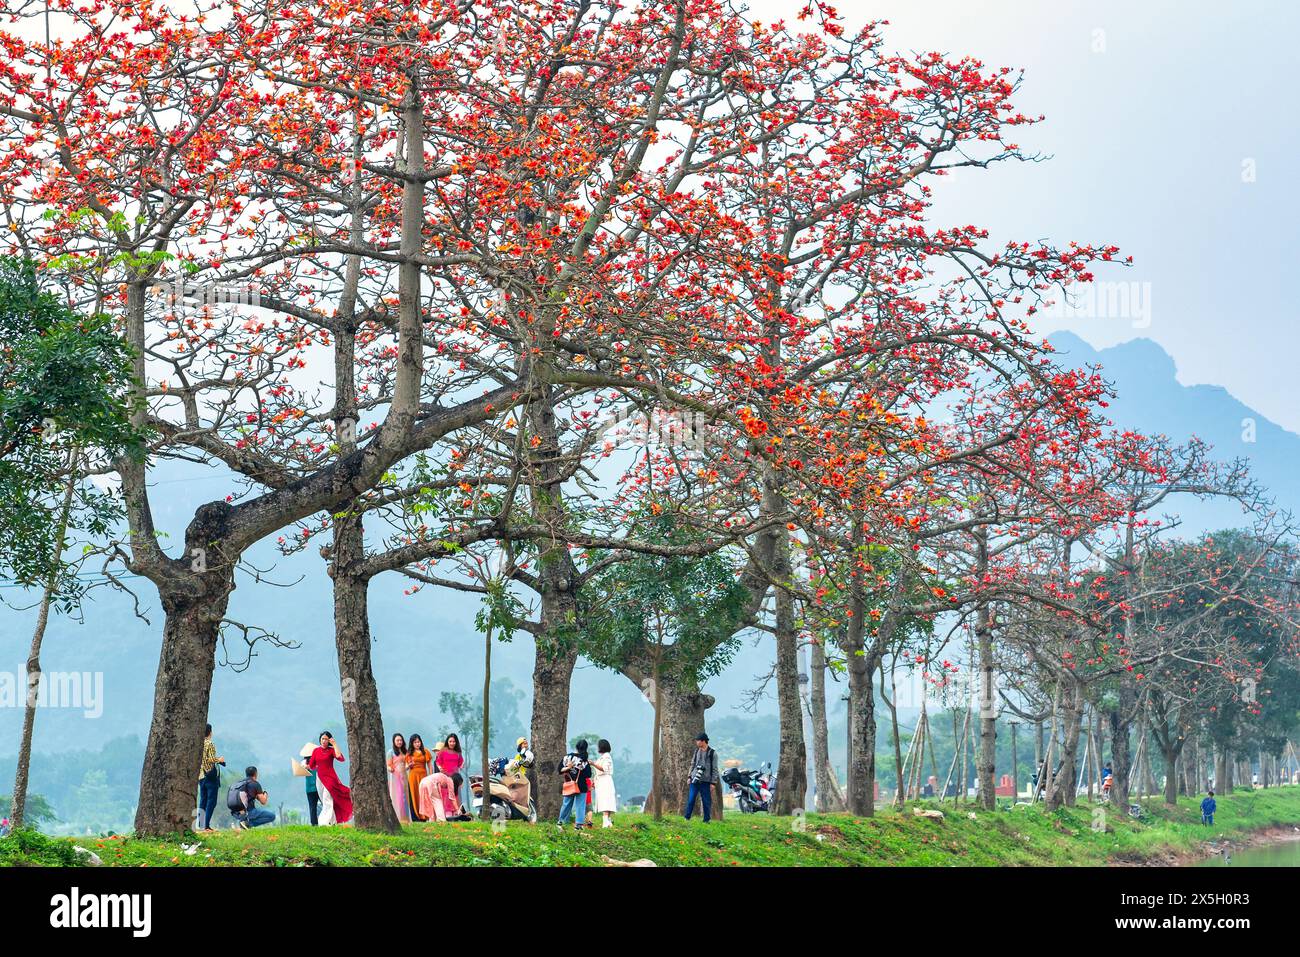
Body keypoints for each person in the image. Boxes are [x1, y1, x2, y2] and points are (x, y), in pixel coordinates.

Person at [308, 731, 353, 825]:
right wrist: (304, 765)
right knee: (325, 800)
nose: (324, 741)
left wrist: (335, 744)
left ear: (329, 740)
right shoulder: (316, 751)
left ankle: (324, 823)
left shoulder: (331, 750)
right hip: (319, 779)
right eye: (322, 739)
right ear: (320, 740)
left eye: (326, 739)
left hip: (330, 778)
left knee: (327, 798)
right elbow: (312, 765)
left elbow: (340, 758)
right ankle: (332, 822)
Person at [557, 739, 592, 829]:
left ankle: (561, 822)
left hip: (569, 784)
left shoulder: (567, 757)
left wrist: (568, 768)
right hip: (581, 786)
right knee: (580, 805)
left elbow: (559, 770)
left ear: (576, 747)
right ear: (585, 748)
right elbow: (588, 774)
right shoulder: (584, 761)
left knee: (566, 804)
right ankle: (579, 825)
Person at [197, 723, 225, 831]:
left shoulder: (198, 744)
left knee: (203, 800)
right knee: (211, 801)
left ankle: (201, 823)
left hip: (201, 775)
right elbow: (210, 759)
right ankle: (206, 825)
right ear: (210, 732)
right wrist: (220, 760)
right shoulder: (210, 744)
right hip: (210, 775)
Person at [684, 733, 718, 822]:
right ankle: (687, 817)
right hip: (694, 779)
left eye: (698, 740)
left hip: (706, 781)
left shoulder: (712, 753)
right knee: (691, 799)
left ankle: (706, 820)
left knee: (706, 801)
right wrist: (689, 776)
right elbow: (692, 764)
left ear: (703, 741)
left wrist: (713, 783)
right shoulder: (696, 751)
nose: (696, 742)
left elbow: (714, 769)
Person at [406, 734, 433, 822]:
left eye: (418, 742)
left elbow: (429, 765)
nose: (417, 744)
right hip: (413, 776)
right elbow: (406, 766)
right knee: (414, 795)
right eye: (415, 742)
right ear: (412, 744)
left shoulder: (425, 751)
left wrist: (431, 776)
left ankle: (425, 816)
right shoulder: (409, 753)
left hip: (423, 776)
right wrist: (409, 765)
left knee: (424, 795)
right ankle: (416, 817)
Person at [386, 733, 411, 823]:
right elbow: (388, 765)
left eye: (401, 740)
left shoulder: (405, 752)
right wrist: (391, 769)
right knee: (397, 796)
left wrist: (409, 766)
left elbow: (407, 764)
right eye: (397, 740)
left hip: (404, 776)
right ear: (394, 742)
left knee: (405, 796)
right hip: (395, 777)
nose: (399, 742)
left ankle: (406, 818)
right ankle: (397, 817)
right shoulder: (390, 752)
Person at [592, 739, 617, 828]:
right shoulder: (603, 757)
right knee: (604, 800)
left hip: (605, 780)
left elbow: (604, 769)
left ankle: (606, 821)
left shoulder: (606, 757)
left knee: (606, 800)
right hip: (601, 780)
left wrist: (593, 764)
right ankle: (608, 821)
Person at [437, 733, 466, 810]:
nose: (452, 743)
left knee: (456, 794)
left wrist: (462, 765)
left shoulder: (458, 752)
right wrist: (440, 767)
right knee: (446, 795)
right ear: (447, 742)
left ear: (456, 742)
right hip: (445, 776)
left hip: (455, 777)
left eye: (454, 741)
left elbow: (461, 763)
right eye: (450, 741)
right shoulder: (443, 751)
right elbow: (438, 761)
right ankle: (446, 813)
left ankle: (457, 811)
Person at [301, 744, 321, 826]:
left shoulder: (307, 762)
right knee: (317, 806)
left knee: (313, 807)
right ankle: (317, 823)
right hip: (316, 787)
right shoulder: (305, 763)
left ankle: (315, 824)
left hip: (313, 788)